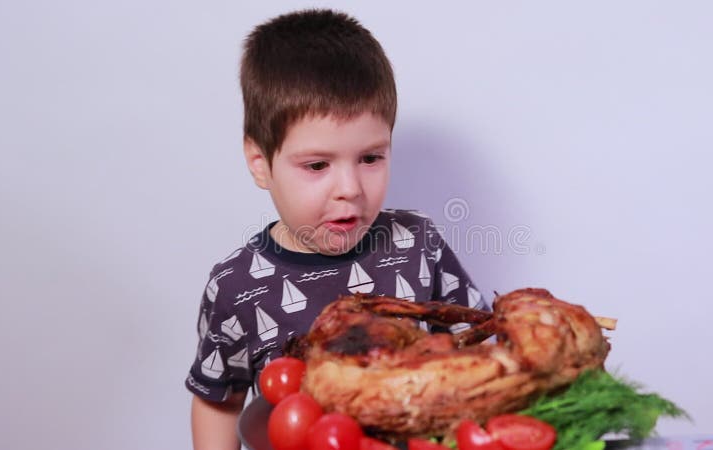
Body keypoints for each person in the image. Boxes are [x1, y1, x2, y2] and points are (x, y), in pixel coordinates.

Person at [185, 9, 488, 449]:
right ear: (260, 164)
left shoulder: (418, 244)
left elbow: (477, 354)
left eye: (370, 158)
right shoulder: (235, 286)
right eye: (317, 165)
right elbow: (219, 402)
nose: (349, 189)